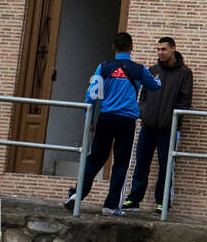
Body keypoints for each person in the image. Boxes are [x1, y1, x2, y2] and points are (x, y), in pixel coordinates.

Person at [63, 32, 160, 216]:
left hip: (106, 118)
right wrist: (158, 79)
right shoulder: (139, 69)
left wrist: (90, 118)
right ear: (132, 47)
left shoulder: (104, 67)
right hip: (126, 121)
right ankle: (111, 205)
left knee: (95, 159)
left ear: (113, 46)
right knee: (121, 163)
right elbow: (154, 86)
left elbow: (91, 94)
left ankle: (76, 195)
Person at [123, 36, 193, 213]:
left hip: (168, 129)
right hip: (148, 126)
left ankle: (162, 203)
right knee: (141, 163)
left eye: (163, 49)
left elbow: (185, 102)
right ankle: (133, 200)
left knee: (166, 165)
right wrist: (144, 112)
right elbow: (143, 96)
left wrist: (172, 121)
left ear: (173, 49)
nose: (160, 53)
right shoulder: (152, 70)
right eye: (158, 49)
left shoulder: (184, 73)